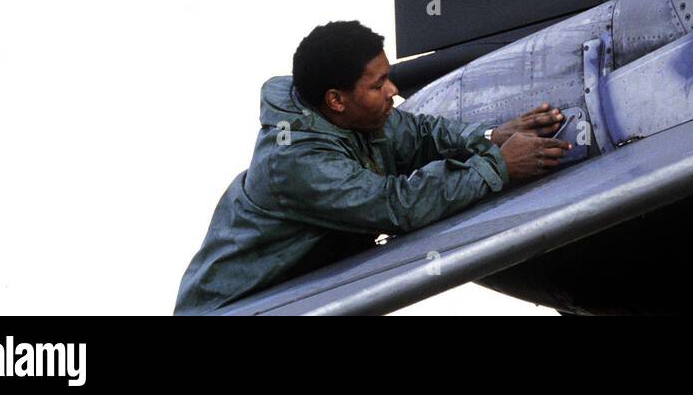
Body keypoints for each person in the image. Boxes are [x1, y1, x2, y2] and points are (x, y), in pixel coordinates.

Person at [175, 20, 570, 314]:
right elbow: (398, 206)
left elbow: (416, 135)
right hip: (237, 308)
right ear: (337, 100)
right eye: (378, 84)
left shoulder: (353, 115)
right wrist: (497, 167)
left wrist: (485, 140)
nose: (393, 91)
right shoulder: (297, 165)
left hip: (303, 294)